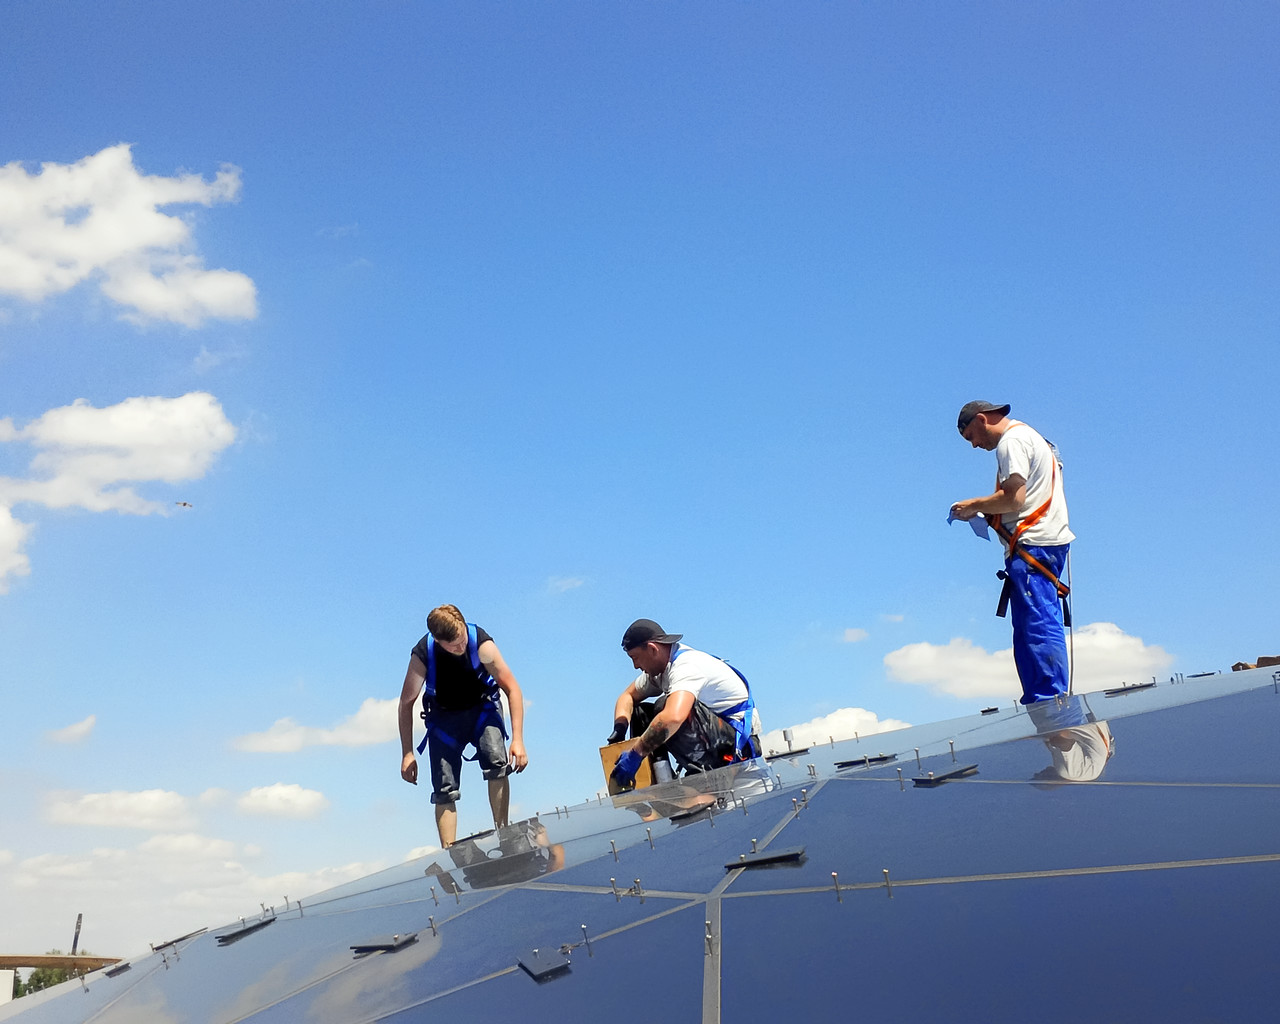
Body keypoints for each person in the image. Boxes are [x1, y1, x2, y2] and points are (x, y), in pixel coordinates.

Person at [950, 401, 1074, 704]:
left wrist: (974, 506)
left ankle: (1050, 699)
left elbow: (1014, 498)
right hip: (1040, 544)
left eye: (972, 437)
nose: (976, 445)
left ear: (982, 419)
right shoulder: (1031, 438)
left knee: (1037, 625)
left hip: (1034, 546)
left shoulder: (1012, 442)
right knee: (1028, 628)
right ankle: (1041, 696)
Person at [397, 604, 528, 847]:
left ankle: (503, 832)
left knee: (496, 761)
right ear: (437, 640)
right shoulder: (424, 654)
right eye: (453, 645)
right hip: (445, 720)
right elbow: (406, 703)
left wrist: (518, 740)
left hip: (481, 709)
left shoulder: (480, 643)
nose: (460, 647)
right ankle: (448, 850)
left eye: (461, 641)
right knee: (444, 787)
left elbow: (512, 688)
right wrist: (407, 753)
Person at [608, 618, 761, 787]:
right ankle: (660, 779)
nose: (635, 665)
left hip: (737, 746)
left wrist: (635, 754)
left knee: (664, 708)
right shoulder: (661, 671)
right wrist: (620, 729)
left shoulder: (686, 666)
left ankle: (703, 775)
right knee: (639, 712)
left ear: (652, 649)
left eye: (635, 658)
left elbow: (673, 717)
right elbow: (627, 696)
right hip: (715, 738)